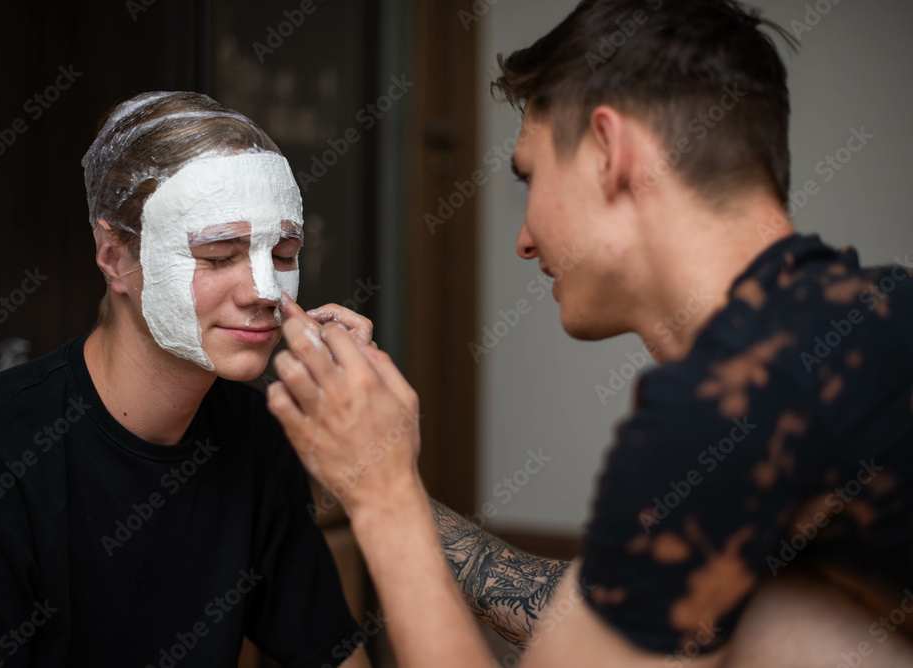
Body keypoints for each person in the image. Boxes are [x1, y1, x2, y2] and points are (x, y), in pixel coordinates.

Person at [266, 1, 913, 666]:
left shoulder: (732, 401)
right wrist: (377, 472)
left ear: (610, 150)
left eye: (530, 178)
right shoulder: (865, 322)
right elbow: (611, 611)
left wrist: (382, 500)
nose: (523, 240)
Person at [0, 91, 372, 667]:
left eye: (282, 254)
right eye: (218, 254)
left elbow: (330, 653)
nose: (263, 290)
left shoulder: (255, 436)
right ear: (113, 255)